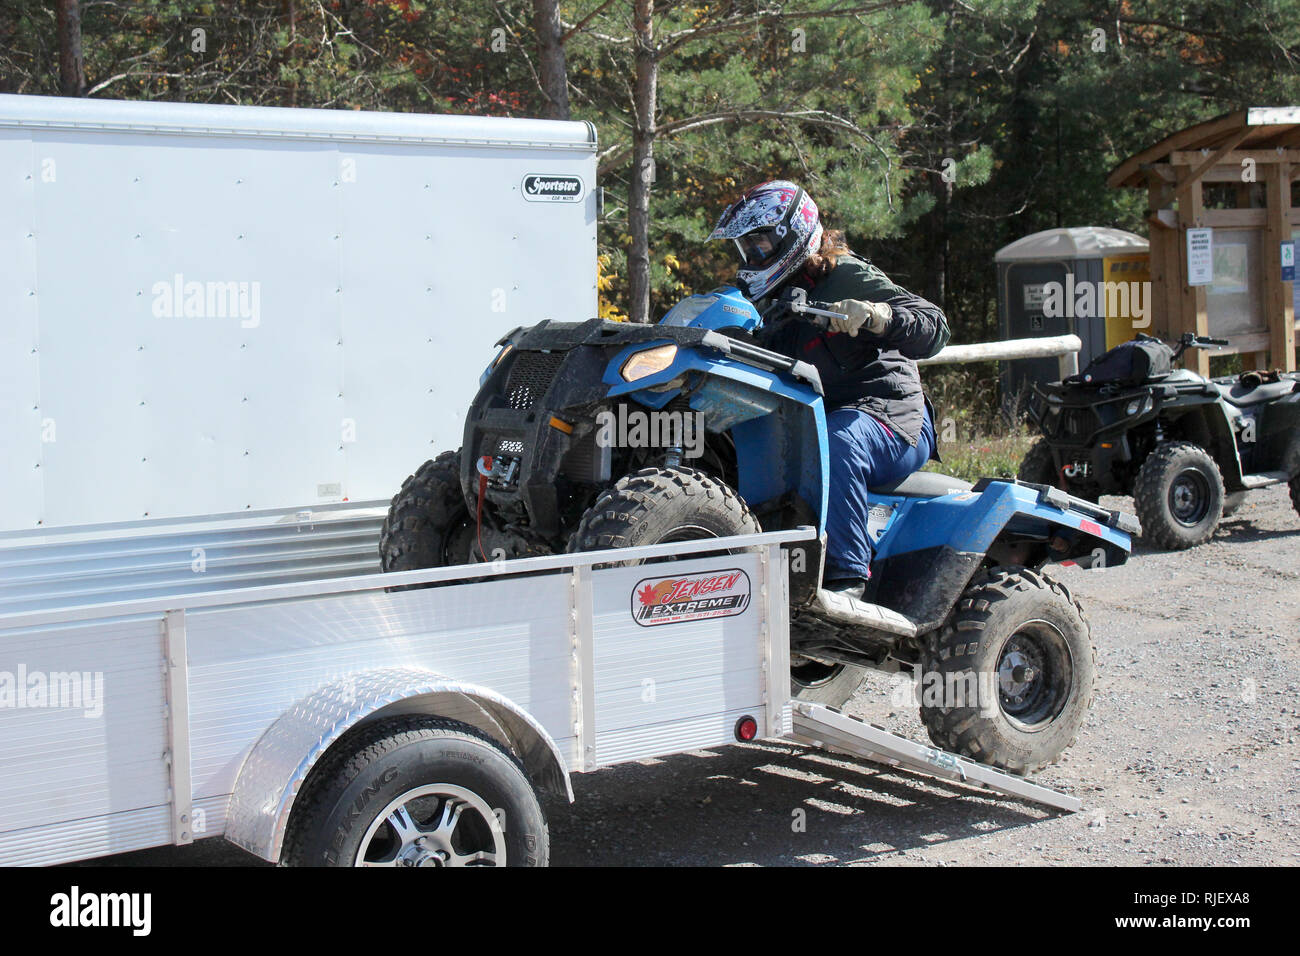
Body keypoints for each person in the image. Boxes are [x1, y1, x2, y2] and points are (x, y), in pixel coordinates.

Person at [709, 180, 950, 598]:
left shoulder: (845, 276)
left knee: (837, 442)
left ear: (792, 234)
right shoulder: (769, 299)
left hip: (891, 416)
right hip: (822, 420)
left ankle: (846, 580)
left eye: (761, 243)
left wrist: (878, 315)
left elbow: (934, 328)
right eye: (747, 248)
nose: (753, 256)